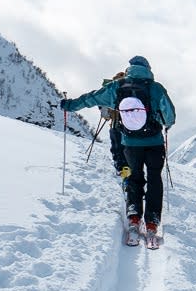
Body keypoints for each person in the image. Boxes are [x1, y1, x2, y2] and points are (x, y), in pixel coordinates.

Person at [62, 56, 176, 237]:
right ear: (148, 69)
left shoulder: (117, 86)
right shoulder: (156, 88)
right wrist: (167, 123)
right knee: (154, 178)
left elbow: (91, 98)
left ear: (129, 68)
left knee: (133, 177)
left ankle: (133, 216)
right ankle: (152, 221)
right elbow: (169, 114)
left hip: (129, 143)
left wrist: (69, 105)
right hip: (154, 142)